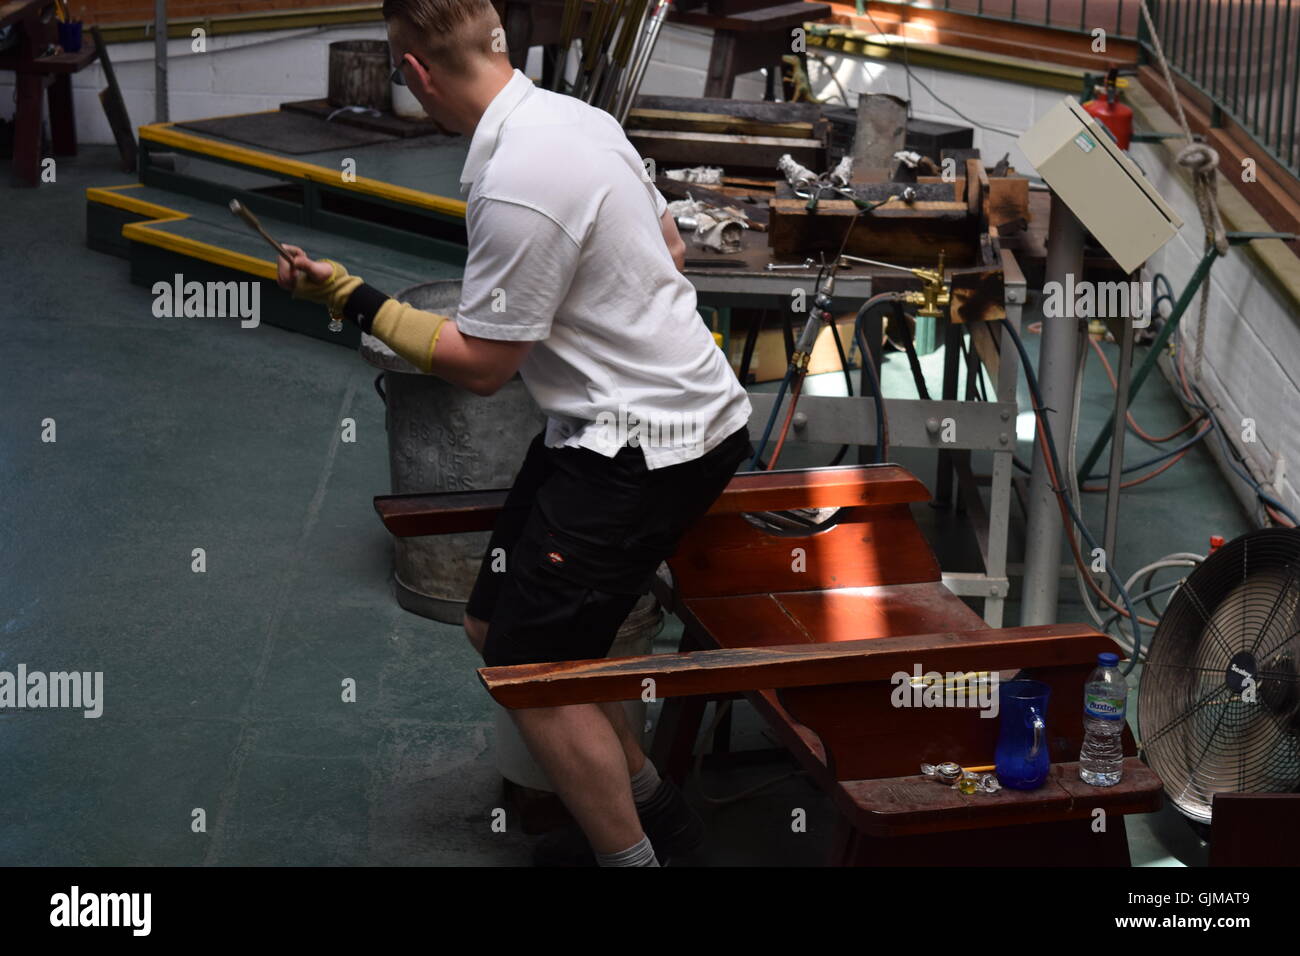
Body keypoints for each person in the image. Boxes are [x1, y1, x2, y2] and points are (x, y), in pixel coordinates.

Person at [277, 0, 752, 867]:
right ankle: (657, 818)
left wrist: (351, 297)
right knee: (497, 629)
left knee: (531, 669)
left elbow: (484, 366)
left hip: (646, 444)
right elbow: (672, 250)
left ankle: (634, 862)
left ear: (417, 73)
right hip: (617, 423)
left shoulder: (517, 179)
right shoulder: (580, 119)